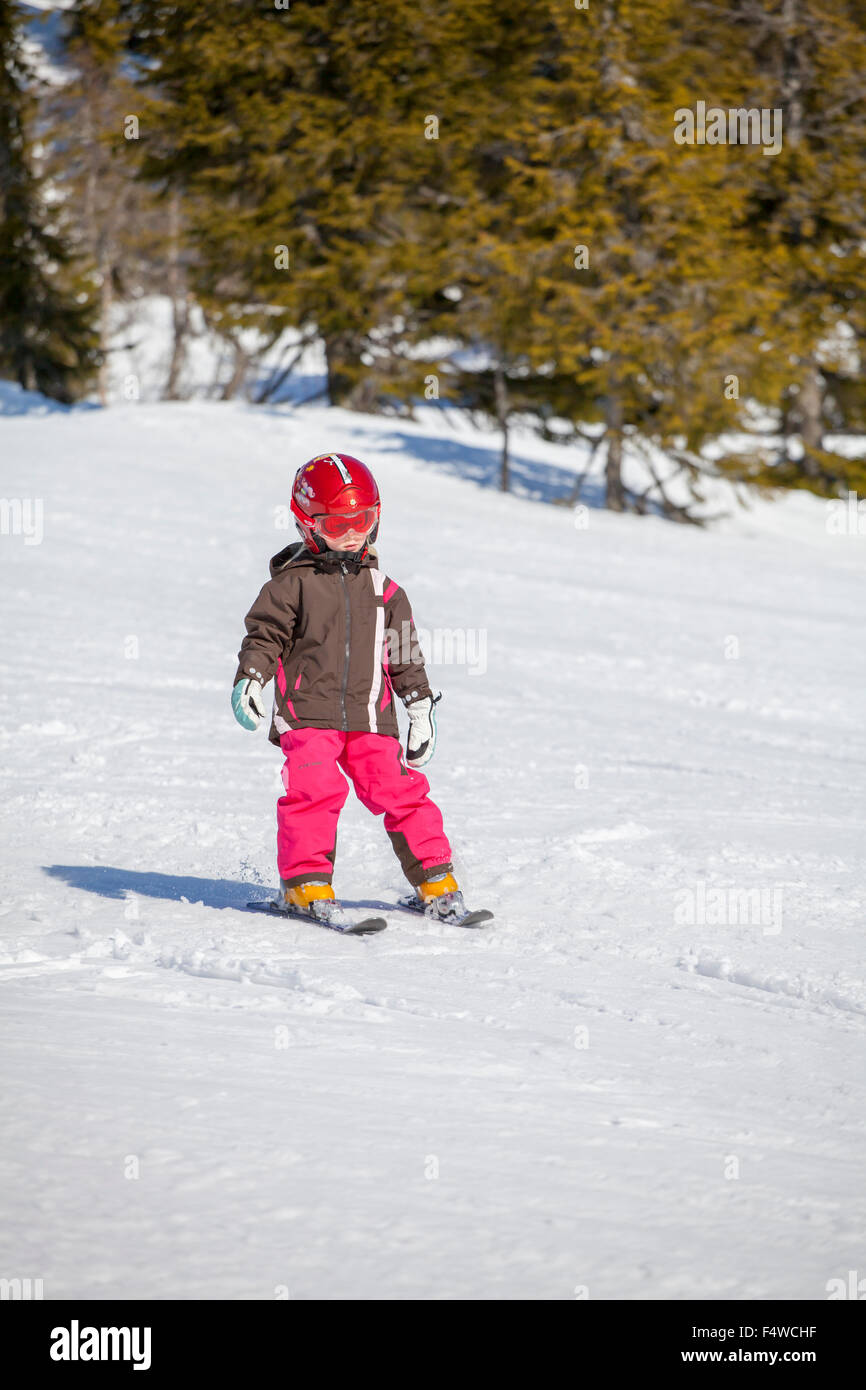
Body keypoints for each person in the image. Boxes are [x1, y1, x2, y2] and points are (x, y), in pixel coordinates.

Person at [231, 451, 464, 927]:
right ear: (308, 524)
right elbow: (264, 638)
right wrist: (251, 678)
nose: (353, 532)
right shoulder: (289, 588)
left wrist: (419, 707)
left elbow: (404, 654)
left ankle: (436, 882)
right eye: (338, 524)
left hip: (372, 716)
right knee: (316, 789)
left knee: (401, 791)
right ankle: (304, 885)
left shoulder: (386, 591)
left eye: (363, 519)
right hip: (307, 714)